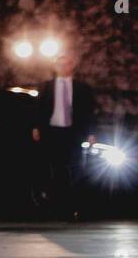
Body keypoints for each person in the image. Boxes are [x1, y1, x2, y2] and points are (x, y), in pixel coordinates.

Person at [32, 48, 97, 216]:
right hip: (51, 132)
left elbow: (89, 112)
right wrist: (36, 127)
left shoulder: (82, 88)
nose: (62, 66)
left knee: (74, 169)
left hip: (73, 132)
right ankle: (57, 205)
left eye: (66, 63)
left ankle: (73, 205)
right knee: (55, 169)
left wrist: (91, 133)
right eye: (59, 63)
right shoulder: (46, 86)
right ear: (55, 65)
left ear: (72, 65)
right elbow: (38, 109)